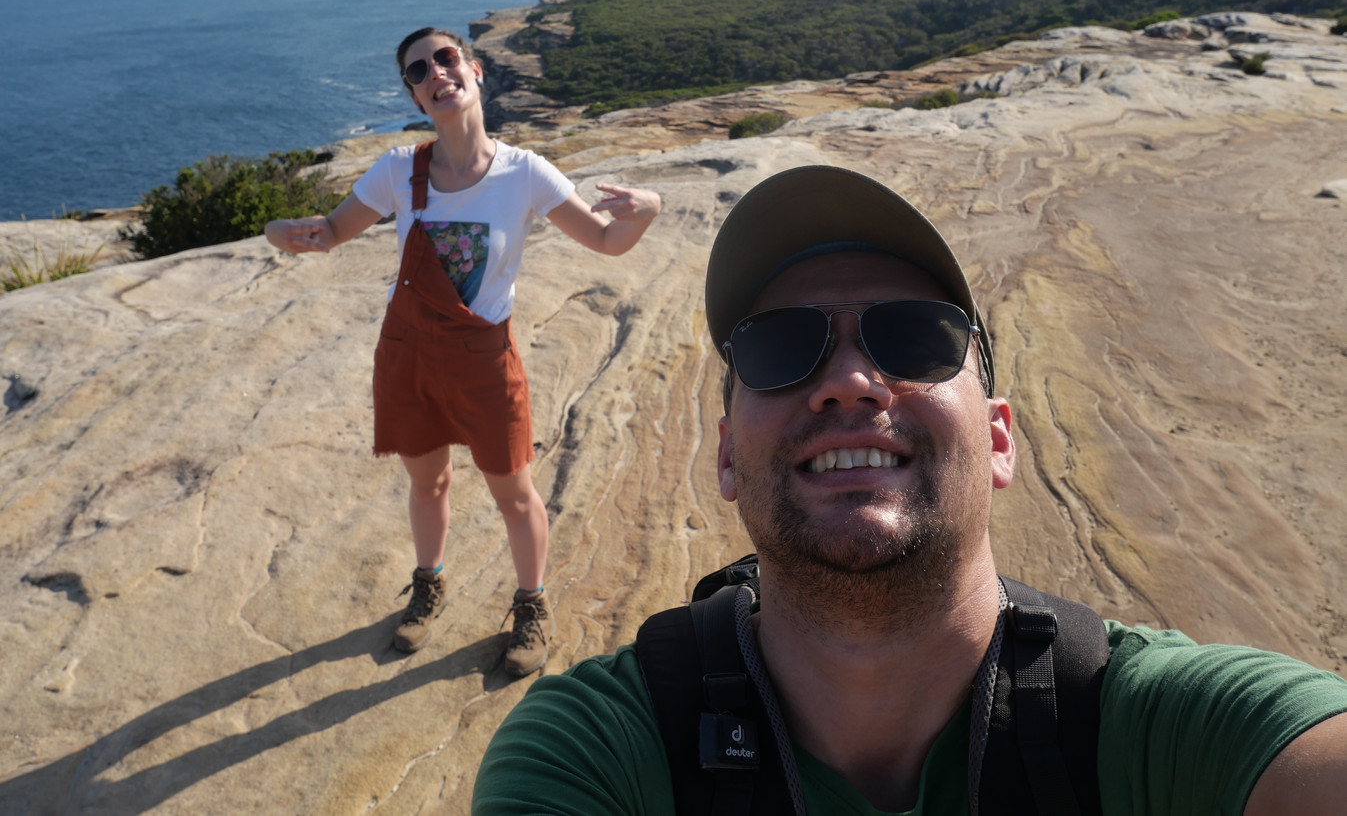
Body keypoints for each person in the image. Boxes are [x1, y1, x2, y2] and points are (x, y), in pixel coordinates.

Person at [471, 165, 1347, 812]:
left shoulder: (1161, 728)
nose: (849, 381)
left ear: (998, 439)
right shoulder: (597, 749)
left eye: (914, 338)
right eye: (780, 348)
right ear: (727, 457)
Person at [264, 27, 660, 677]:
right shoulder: (397, 171)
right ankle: (429, 585)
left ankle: (531, 604)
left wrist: (648, 206)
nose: (435, 73)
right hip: (409, 355)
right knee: (428, 483)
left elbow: (608, 241)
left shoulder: (524, 173)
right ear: (416, 97)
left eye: (446, 59)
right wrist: (282, 232)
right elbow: (331, 232)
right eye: (418, 71)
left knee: (514, 494)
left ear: (475, 72)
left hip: (483, 357)